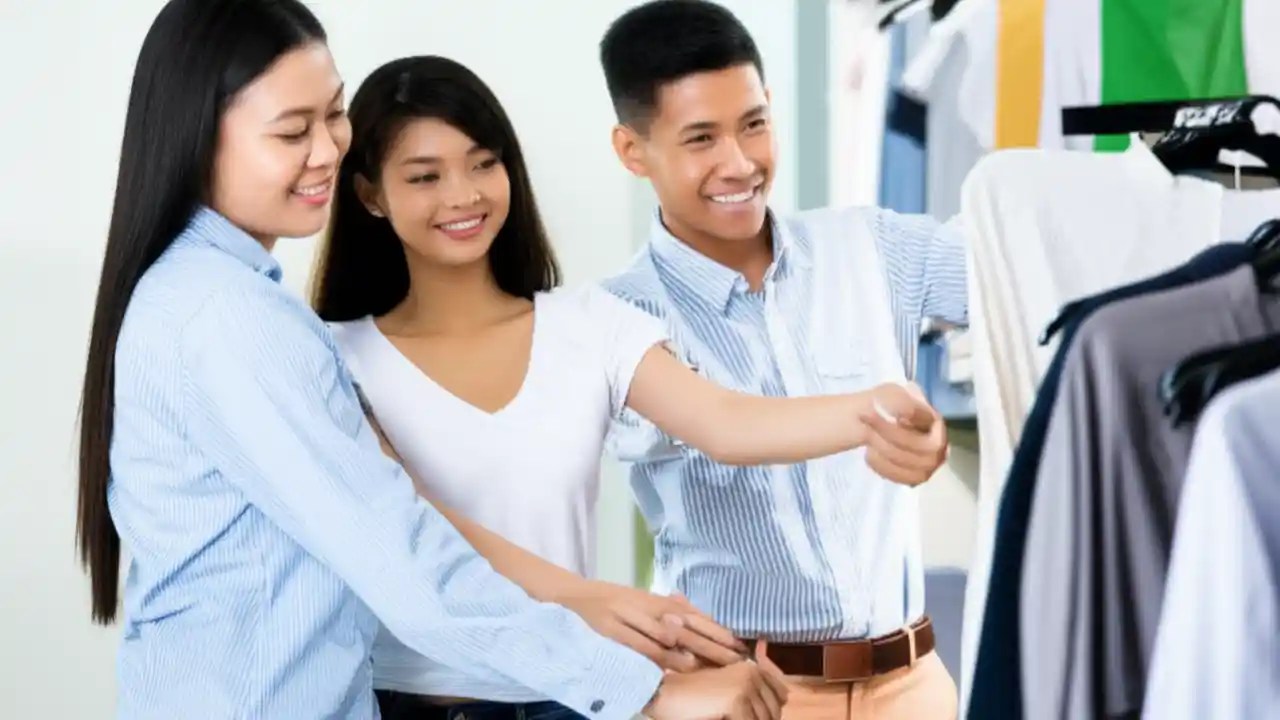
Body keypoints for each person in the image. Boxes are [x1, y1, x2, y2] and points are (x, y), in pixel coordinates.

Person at [76, 1, 786, 718]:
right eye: (292, 131)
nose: (327, 149)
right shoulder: (233, 321)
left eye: (333, 115)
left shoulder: (208, 298)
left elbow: (729, 423)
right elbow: (409, 564)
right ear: (199, 139)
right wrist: (647, 693)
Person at [310, 54, 949, 719]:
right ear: (370, 196)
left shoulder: (588, 325)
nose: (463, 195)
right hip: (404, 702)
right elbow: (407, 522)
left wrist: (879, 409)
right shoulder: (333, 356)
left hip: (572, 698)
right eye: (424, 177)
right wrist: (588, 598)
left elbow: (731, 424)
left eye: (482, 163)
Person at [597, 1, 966, 718]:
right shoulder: (617, 319)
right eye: (701, 138)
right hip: (749, 695)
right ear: (631, 150)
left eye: (755, 124)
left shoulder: (873, 248)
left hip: (915, 687)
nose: (740, 163)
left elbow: (1032, 271)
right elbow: (730, 426)